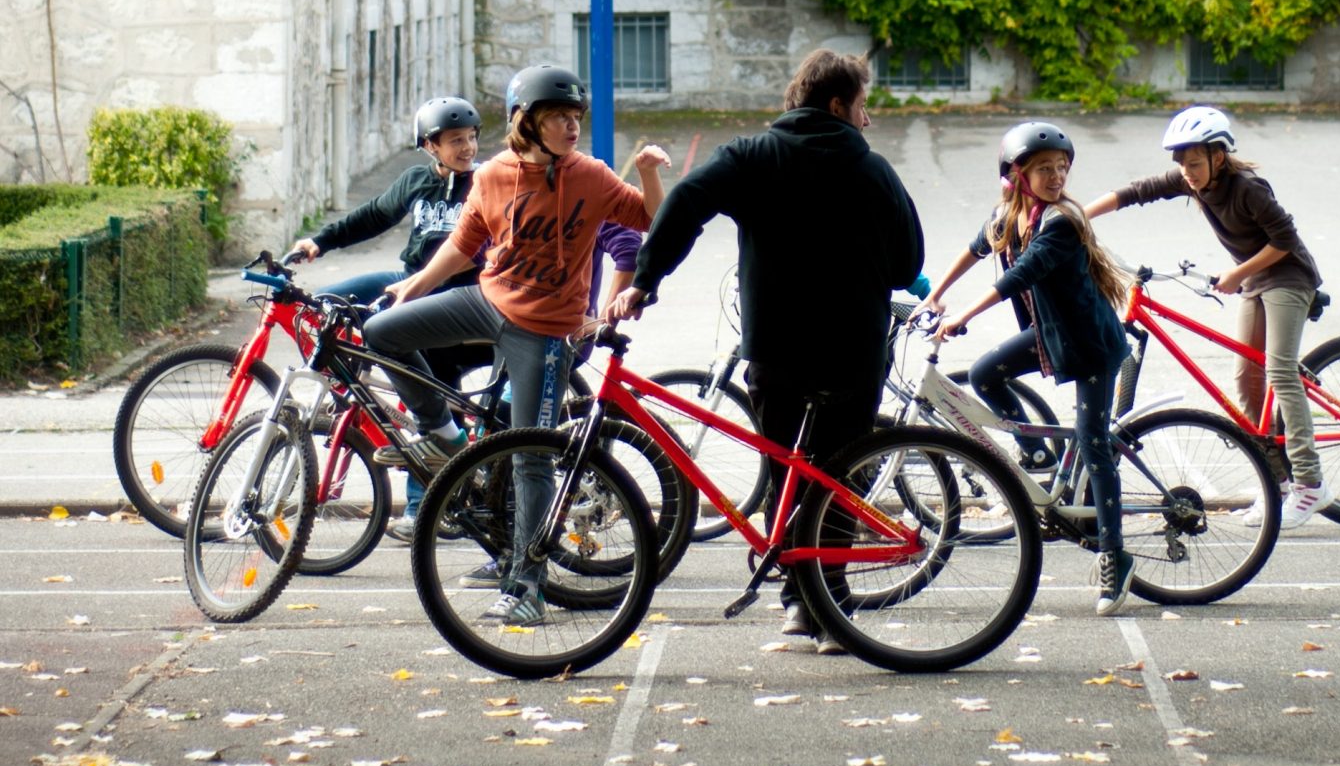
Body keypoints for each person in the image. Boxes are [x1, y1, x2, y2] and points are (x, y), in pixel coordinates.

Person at [607, 49, 924, 654]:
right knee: (839, 472)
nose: (868, 119)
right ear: (837, 105)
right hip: (853, 346)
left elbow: (683, 206)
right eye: (863, 106)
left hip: (776, 343)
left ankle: (796, 605)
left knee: (785, 467)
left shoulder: (750, 157)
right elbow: (909, 262)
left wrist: (646, 281)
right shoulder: (874, 171)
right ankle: (830, 606)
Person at [364, 64, 670, 626]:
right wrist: (415, 285)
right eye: (558, 116)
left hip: (547, 331)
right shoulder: (495, 174)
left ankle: (526, 585)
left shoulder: (592, 175)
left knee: (533, 459)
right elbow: (464, 243)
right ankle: (442, 434)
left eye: (575, 116)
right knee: (380, 331)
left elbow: (648, 217)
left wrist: (648, 172)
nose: (571, 126)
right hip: (488, 302)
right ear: (525, 122)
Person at [918, 123, 1134, 616]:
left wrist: (961, 318)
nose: (1057, 176)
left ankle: (1114, 555)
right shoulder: (1006, 218)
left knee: (1092, 440)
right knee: (985, 374)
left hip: (1090, 344)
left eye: (1061, 167)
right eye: (1044, 169)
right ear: (1016, 176)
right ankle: (1037, 457)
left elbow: (1021, 276)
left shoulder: (1061, 221)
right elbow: (974, 252)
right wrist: (933, 296)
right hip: (1051, 334)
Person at [1083, 105, 1328, 530]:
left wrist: (1237, 272)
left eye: (1194, 163)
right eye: (1181, 164)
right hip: (1255, 283)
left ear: (1218, 156)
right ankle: (1279, 483)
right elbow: (1136, 192)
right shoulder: (1192, 182)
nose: (1187, 173)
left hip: (1288, 277)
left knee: (1279, 369)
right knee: (1245, 379)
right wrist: (1078, 216)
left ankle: (1311, 484)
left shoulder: (1248, 188)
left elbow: (1286, 240)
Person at [288, 95, 487, 543]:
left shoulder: (485, 184)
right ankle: (341, 384)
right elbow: (374, 215)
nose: (467, 147)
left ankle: (423, 510)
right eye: (456, 140)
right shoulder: (417, 180)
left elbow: (478, 252)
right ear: (429, 146)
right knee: (326, 303)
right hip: (408, 280)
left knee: (428, 399)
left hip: (455, 297)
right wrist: (320, 242)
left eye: (471, 138)